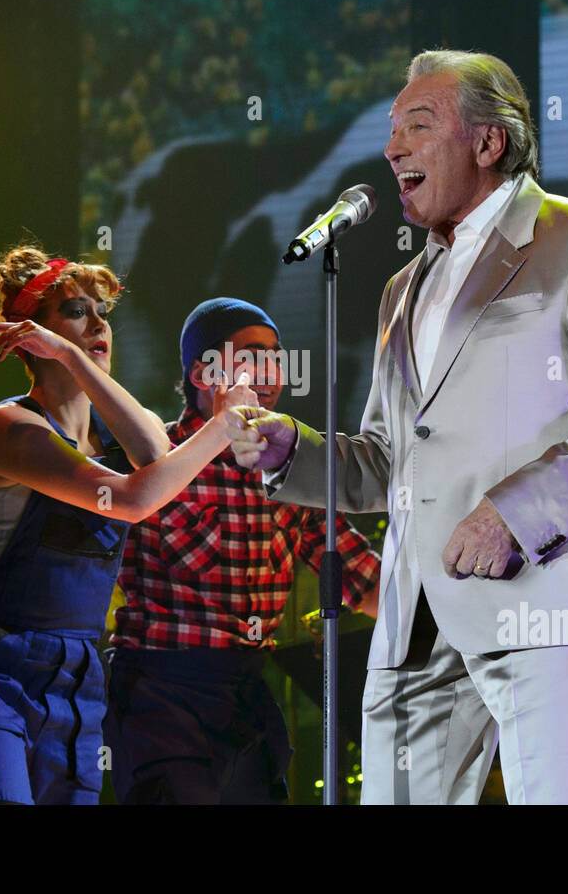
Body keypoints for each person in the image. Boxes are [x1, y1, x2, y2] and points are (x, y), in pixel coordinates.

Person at [228, 50, 568, 804]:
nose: (391, 147)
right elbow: (386, 460)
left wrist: (513, 512)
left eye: (417, 125)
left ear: (488, 142)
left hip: (545, 607)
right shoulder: (405, 287)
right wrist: (289, 450)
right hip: (414, 620)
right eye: (391, 130)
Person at [0, 246, 256, 805]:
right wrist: (222, 427)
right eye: (76, 312)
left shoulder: (121, 428)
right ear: (34, 335)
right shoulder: (8, 426)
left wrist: (75, 358)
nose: (98, 324)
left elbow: (154, 451)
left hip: (76, 680)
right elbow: (133, 499)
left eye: (102, 312)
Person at [104, 297, 381, 804]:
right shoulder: (156, 457)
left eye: (277, 356)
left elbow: (361, 576)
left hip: (247, 691)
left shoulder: (286, 468)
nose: (271, 370)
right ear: (202, 371)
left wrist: (454, 622)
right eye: (252, 355)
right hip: (162, 691)